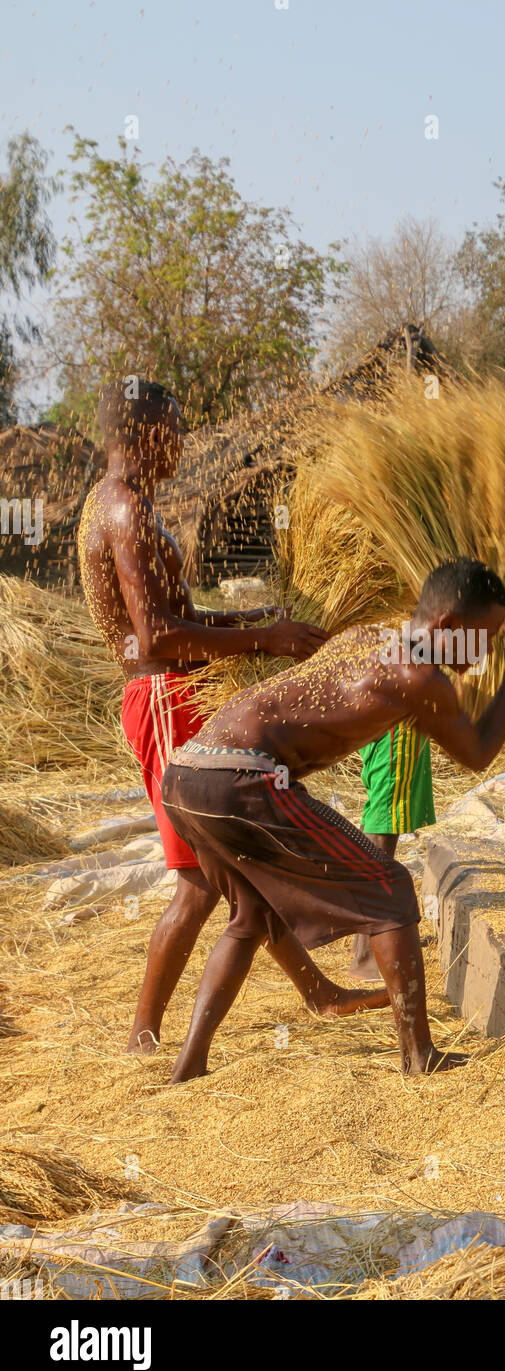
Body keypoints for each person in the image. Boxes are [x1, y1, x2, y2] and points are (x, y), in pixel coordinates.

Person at [160, 557, 505, 1082]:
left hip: (188, 773)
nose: (484, 654)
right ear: (445, 628)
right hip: (241, 778)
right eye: (480, 639)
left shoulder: (370, 637)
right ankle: (418, 1057)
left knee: (252, 916)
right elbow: (480, 752)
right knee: (390, 885)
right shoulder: (417, 676)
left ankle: (187, 1068)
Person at [78, 378, 332, 1055]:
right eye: (172, 427)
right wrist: (260, 641)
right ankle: (143, 1038)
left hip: (173, 696)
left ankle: (318, 992)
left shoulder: (126, 504)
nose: (182, 442)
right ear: (138, 433)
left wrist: (263, 625)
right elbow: (158, 638)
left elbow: (185, 619)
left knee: (234, 859)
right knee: (198, 879)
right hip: (164, 701)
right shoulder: (125, 509)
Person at [349, 721, 436, 981]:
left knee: (381, 815)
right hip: (399, 722)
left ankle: (363, 938)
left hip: (394, 715)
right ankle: (367, 955)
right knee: (384, 823)